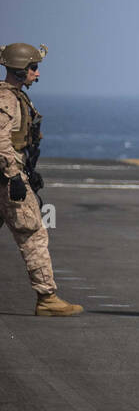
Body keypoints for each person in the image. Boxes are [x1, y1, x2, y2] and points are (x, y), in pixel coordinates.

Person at [0, 42, 82, 316]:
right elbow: (1, 143)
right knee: (33, 234)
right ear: (21, 70)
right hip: (7, 179)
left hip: (10, 175)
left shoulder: (15, 96)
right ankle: (47, 298)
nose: (37, 73)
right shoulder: (7, 100)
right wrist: (14, 177)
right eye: (33, 68)